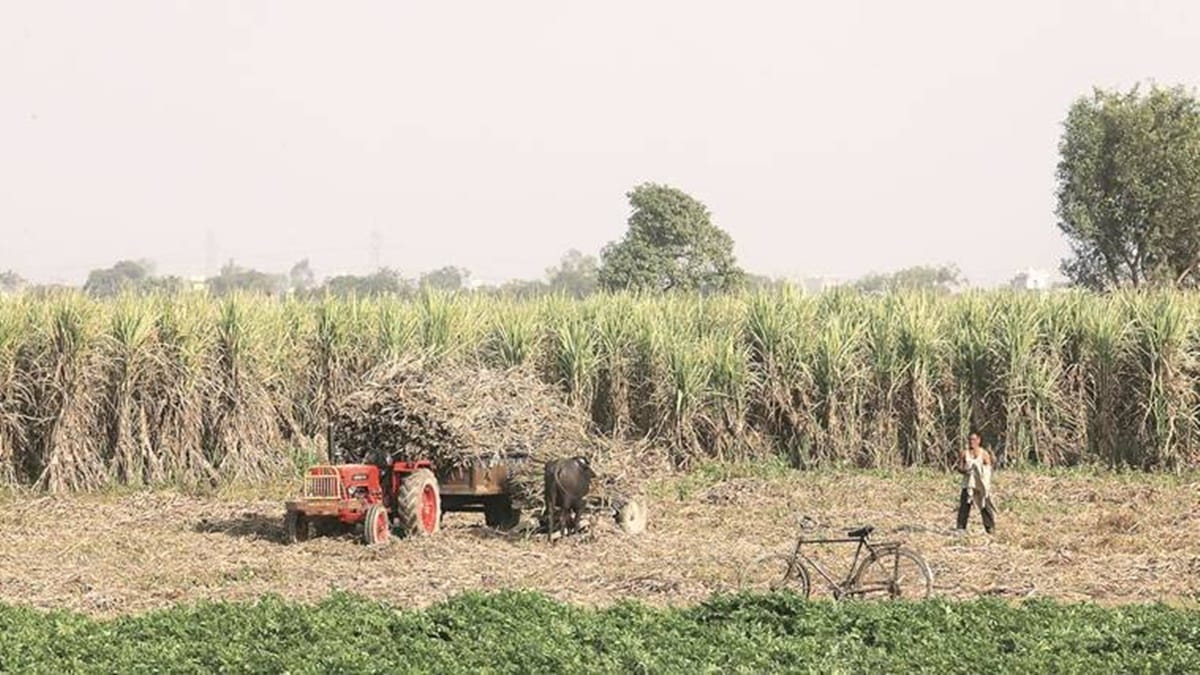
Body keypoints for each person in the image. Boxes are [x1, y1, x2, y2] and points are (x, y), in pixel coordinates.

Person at [955, 432, 996, 534]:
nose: (971, 442)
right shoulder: (965, 453)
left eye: (973, 440)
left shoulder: (984, 454)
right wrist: (965, 471)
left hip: (980, 483)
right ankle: (961, 528)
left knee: (984, 505)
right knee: (964, 505)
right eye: (969, 440)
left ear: (978, 440)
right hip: (968, 483)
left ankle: (990, 527)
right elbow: (959, 467)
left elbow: (988, 469)